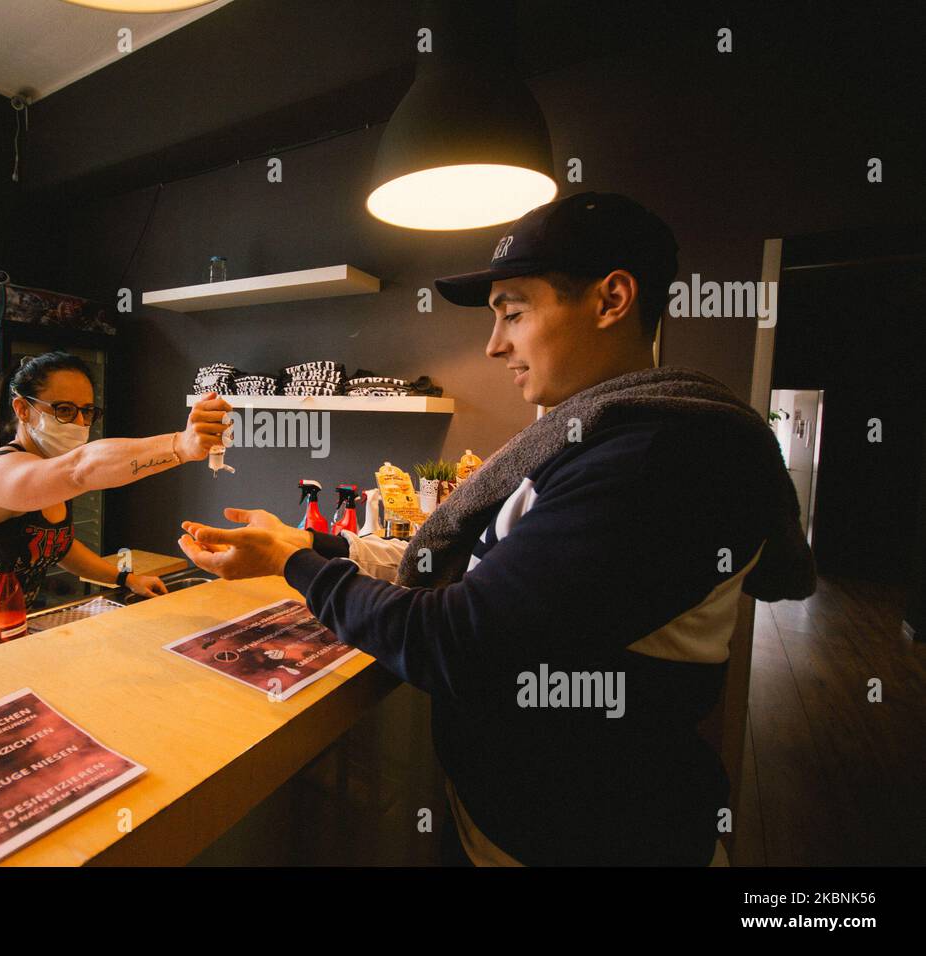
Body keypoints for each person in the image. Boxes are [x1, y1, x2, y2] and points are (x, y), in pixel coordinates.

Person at [177, 192, 816, 866]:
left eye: (513, 313)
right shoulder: (593, 436)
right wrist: (313, 543)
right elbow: (482, 566)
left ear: (612, 299)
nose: (493, 344)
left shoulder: (664, 460)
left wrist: (297, 567)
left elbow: (460, 641)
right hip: (509, 821)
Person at [0, 350, 231, 647]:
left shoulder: (48, 475)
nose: (79, 422)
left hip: (3, 633)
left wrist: (124, 578)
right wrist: (180, 446)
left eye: (86, 411)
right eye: (65, 410)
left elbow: (59, 546)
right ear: (22, 409)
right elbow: (80, 469)